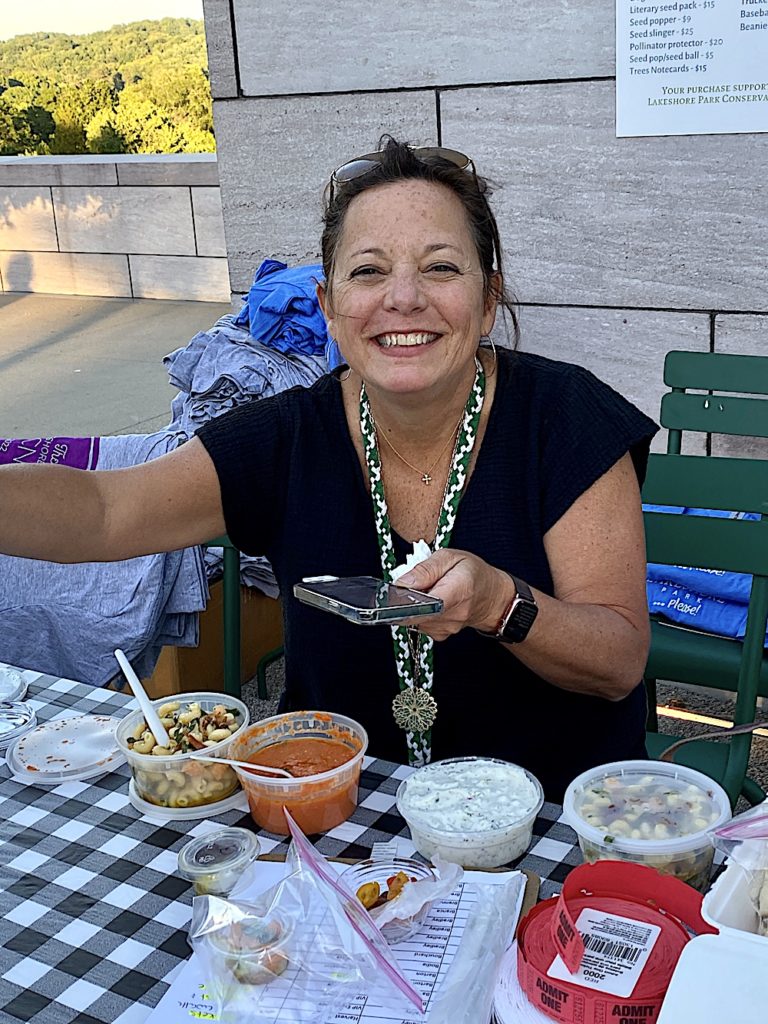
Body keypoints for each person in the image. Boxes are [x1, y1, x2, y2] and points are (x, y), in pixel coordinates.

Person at [0, 138, 657, 802]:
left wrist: (497, 604)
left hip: (554, 823)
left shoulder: (565, 418)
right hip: (342, 816)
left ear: (488, 300)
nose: (402, 298)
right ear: (328, 307)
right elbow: (106, 511)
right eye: (368, 271)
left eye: (440, 268)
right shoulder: (286, 438)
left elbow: (618, 664)